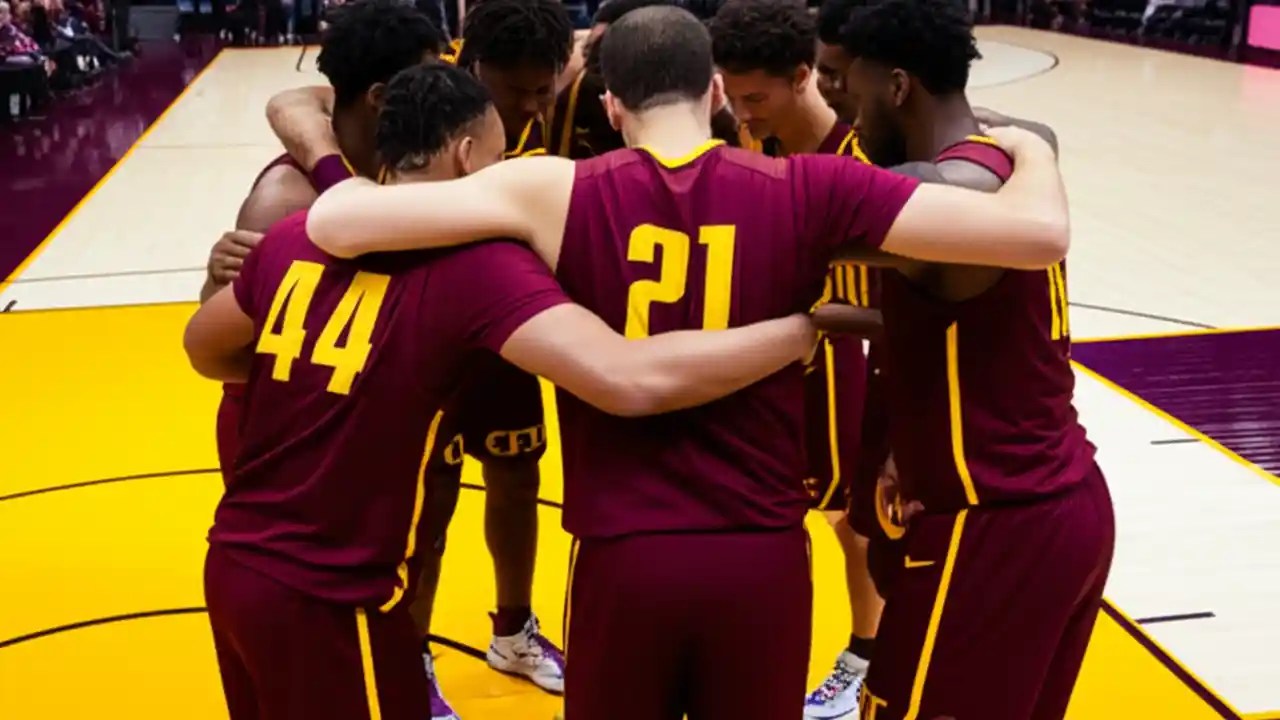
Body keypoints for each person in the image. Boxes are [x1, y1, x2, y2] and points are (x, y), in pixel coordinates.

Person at [303, 6, 1070, 717]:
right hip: (760, 557)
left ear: (610, 106)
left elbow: (337, 222)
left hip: (622, 557)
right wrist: (1034, 146)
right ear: (715, 91)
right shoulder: (813, 187)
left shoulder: (550, 188)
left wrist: (308, 142)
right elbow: (1036, 234)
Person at [185, 60, 823, 720]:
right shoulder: (474, 267)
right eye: (500, 159)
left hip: (234, 567)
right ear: (466, 159)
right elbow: (628, 378)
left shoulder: (299, 235)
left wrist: (320, 376)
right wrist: (796, 335)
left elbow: (203, 345)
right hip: (331, 594)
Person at [262, 3, 576, 696]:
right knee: (425, 508)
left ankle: (513, 629)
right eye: (512, 91)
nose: (527, 107)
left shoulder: (546, 121)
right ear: (472, 70)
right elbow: (292, 99)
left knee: (518, 476)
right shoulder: (428, 113)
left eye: (540, 91)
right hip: (422, 338)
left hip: (507, 329)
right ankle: (414, 652)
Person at [835, 1, 1113, 718]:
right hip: (1060, 504)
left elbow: (803, 222)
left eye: (853, 89)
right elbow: (952, 330)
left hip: (995, 522)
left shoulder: (945, 195)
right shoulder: (1011, 155)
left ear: (897, 87)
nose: (851, 117)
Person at [195, 2, 468, 717]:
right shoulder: (287, 196)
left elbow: (298, 98)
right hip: (292, 437)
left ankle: (410, 658)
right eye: (422, 82)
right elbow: (228, 350)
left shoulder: (376, 164)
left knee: (415, 542)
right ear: (381, 98)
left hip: (365, 424)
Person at [708, 1, 883, 717]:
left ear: (804, 77)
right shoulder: (759, 147)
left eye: (756, 99)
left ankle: (866, 654)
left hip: (852, 360)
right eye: (734, 96)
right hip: (781, 357)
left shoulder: (862, 155)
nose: (743, 112)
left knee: (853, 520)